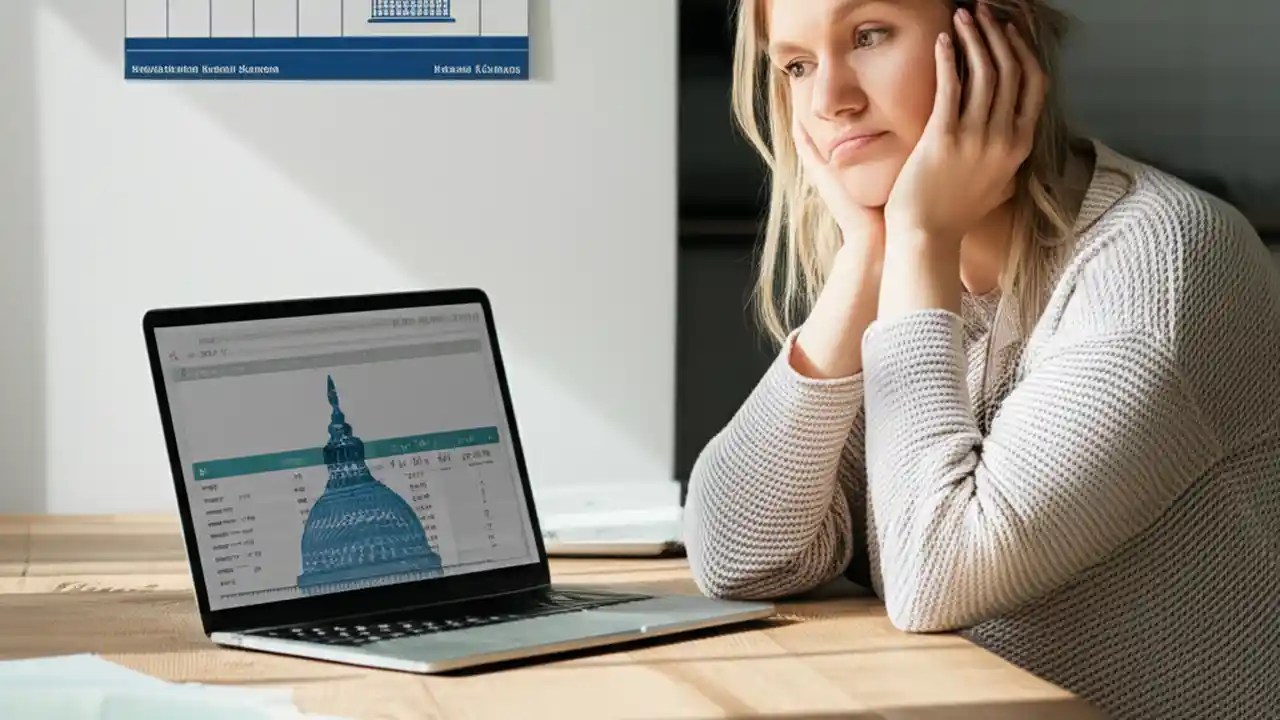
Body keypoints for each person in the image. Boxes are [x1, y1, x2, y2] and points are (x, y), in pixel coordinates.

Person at [682, 0, 1280, 717]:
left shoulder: (1166, 261)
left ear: (997, 33)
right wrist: (869, 259)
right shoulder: (907, 272)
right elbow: (737, 553)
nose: (829, 100)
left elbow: (936, 574)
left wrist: (921, 240)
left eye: (868, 35)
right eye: (798, 66)